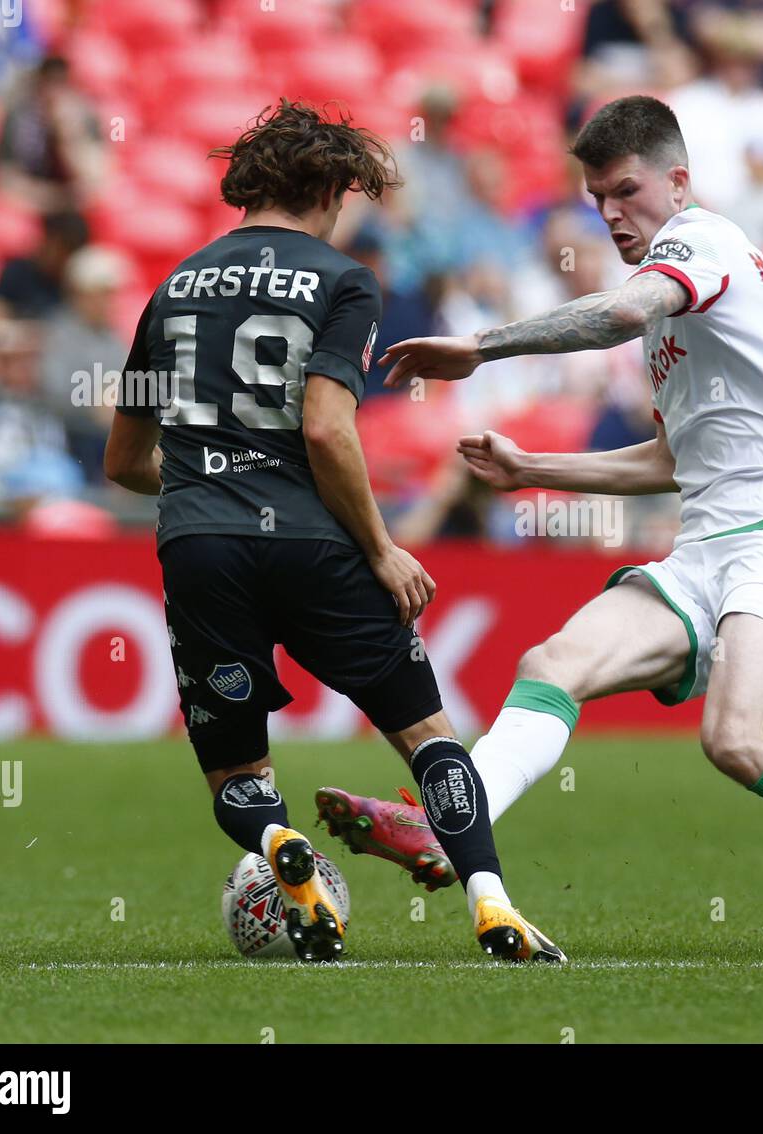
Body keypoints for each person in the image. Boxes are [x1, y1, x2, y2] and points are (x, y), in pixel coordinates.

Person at [337, 96, 763, 960]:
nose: (610, 213)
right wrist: (535, 469)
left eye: (625, 190)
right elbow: (672, 458)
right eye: (596, 197)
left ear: (677, 182)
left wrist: (480, 347)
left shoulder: (699, 243)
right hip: (706, 549)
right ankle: (444, 826)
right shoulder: (681, 309)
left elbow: (613, 313)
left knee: (735, 740)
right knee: (552, 664)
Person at [103, 101, 561, 964]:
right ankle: (494, 904)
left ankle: (280, 851)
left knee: (238, 776)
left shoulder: (173, 287)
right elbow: (325, 427)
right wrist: (382, 548)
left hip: (198, 543)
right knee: (427, 736)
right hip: (314, 542)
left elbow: (125, 460)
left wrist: (208, 480)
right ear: (325, 187)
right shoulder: (345, 280)